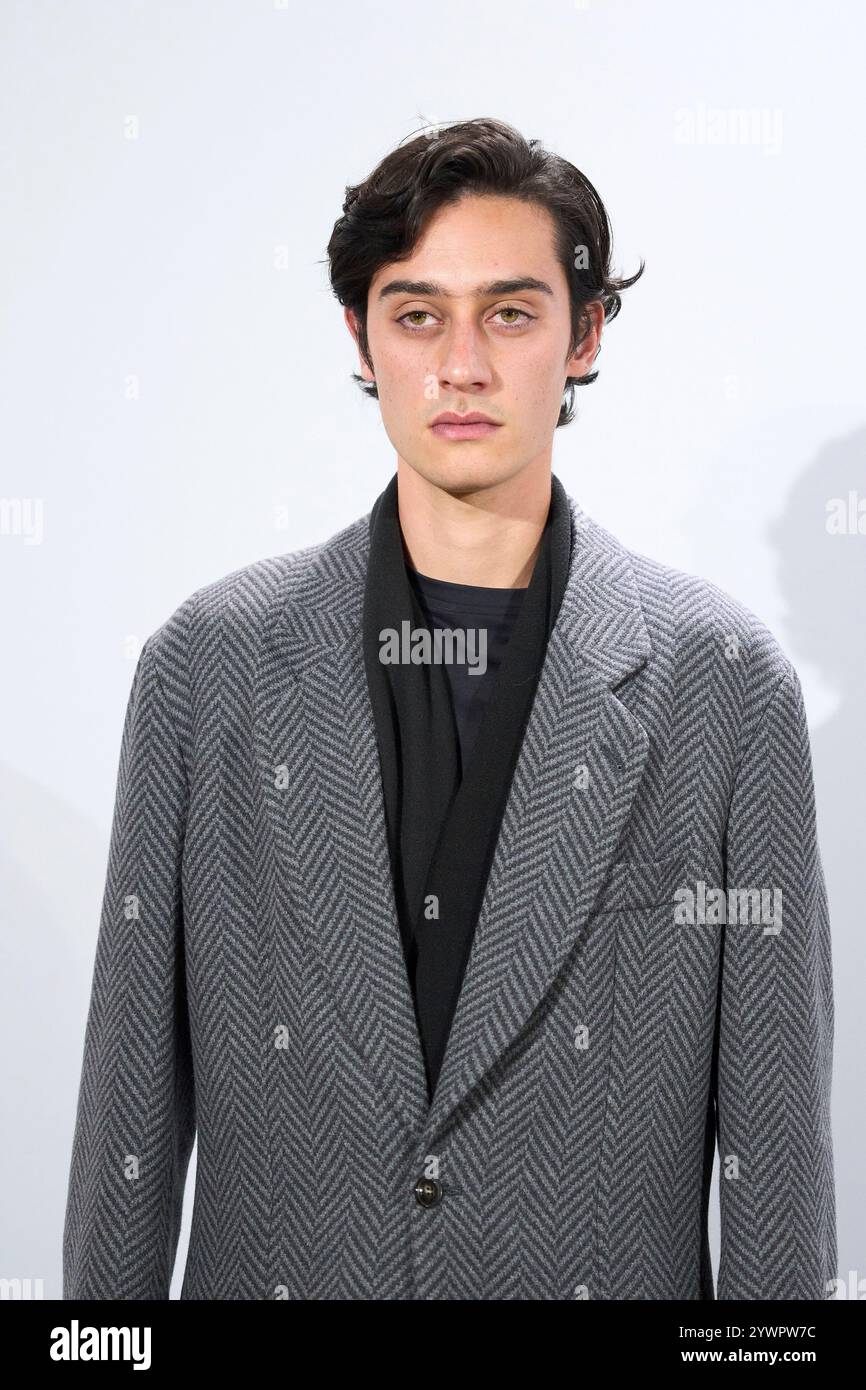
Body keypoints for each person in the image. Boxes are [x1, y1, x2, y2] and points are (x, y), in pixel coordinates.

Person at [63, 117, 836, 1300]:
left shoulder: (721, 685)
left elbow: (774, 1152)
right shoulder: (204, 668)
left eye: (510, 313)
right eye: (416, 313)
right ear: (361, 337)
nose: (459, 365)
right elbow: (129, 1112)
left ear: (580, 336)